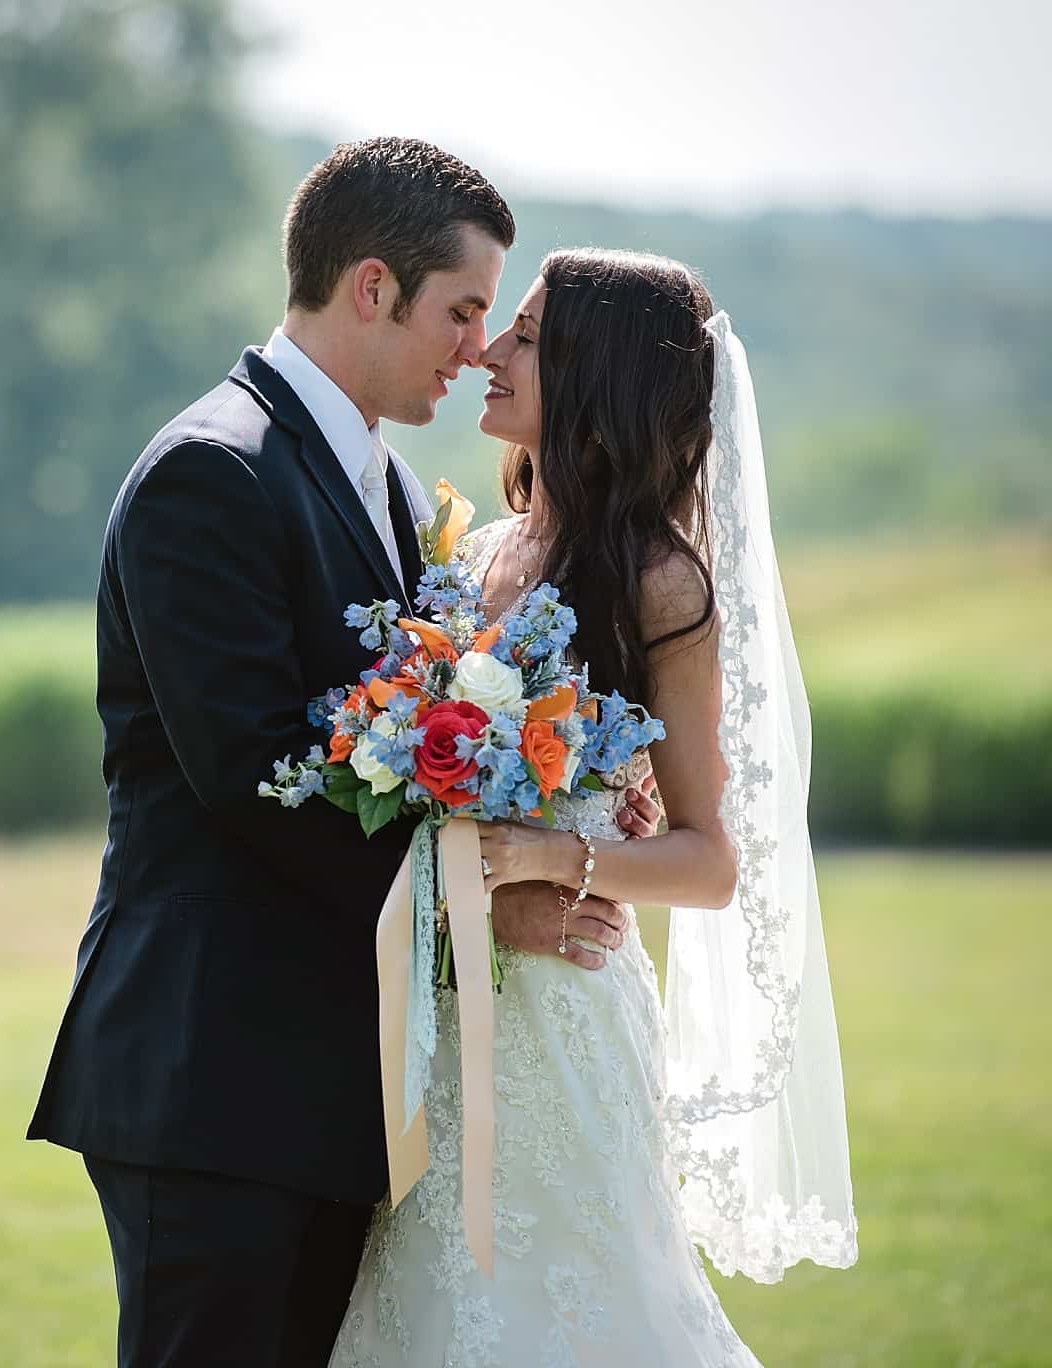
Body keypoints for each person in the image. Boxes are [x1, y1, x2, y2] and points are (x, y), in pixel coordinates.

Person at [25, 139, 659, 1368]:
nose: (476, 346)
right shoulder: (210, 474)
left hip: (331, 1084)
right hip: (212, 1077)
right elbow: (249, 778)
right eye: (461, 309)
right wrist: (482, 907)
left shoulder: (383, 483)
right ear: (370, 287)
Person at [326, 249, 857, 1366]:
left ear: (597, 375)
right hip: (443, 1012)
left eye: (524, 335)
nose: (487, 350)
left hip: (564, 1004)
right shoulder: (471, 558)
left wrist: (542, 857)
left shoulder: (659, 582)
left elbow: (710, 861)